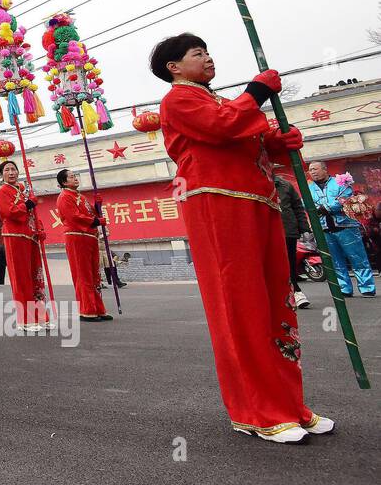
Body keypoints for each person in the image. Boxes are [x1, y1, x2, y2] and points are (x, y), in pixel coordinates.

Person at [152, 32, 331, 443]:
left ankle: (291, 405)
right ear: (174, 67)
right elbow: (223, 127)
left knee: (276, 301)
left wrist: (278, 143)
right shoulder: (178, 100)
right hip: (218, 205)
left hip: (260, 202)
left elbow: (246, 135)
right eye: (198, 54)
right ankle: (258, 410)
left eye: (208, 51)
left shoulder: (216, 99)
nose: (209, 58)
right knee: (241, 304)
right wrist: (257, 91)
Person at [0, 160, 51, 331]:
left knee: (35, 276)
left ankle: (41, 316)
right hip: (15, 236)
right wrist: (27, 204)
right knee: (21, 278)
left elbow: (34, 214)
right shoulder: (2, 191)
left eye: (14, 169)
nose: (11, 172)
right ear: (2, 174)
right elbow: (8, 212)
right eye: (7, 170)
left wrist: (39, 229)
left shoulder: (23, 192)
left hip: (30, 236)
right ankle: (26, 319)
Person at [306, 162, 376, 298]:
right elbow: (306, 203)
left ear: (325, 170)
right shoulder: (309, 188)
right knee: (335, 260)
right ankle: (344, 288)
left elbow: (345, 199)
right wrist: (317, 208)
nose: (312, 172)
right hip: (324, 228)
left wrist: (325, 208)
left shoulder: (340, 182)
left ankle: (367, 287)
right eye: (310, 170)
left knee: (358, 257)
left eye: (315, 169)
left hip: (346, 226)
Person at [55, 170, 111, 322]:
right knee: (83, 274)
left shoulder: (80, 196)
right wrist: (96, 222)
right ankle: (87, 309)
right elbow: (73, 217)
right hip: (77, 237)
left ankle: (98, 308)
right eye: (72, 177)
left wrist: (97, 205)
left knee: (94, 274)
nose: (75, 178)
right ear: (64, 182)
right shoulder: (64, 197)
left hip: (90, 237)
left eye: (75, 176)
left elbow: (92, 213)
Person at [273, 177, 312, 310]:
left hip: (287, 230)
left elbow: (298, 208)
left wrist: (304, 228)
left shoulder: (284, 185)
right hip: (265, 231)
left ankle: (296, 291)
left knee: (289, 262)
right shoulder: (252, 183)